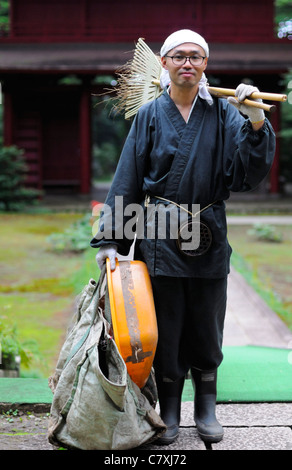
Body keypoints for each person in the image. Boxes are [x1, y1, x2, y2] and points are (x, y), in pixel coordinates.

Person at [91, 29, 275, 445]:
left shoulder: (227, 112)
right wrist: (111, 242)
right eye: (179, 56)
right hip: (159, 233)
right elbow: (129, 179)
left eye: (196, 56)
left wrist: (257, 118)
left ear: (205, 64)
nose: (187, 63)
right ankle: (169, 410)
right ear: (165, 63)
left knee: (207, 324)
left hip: (208, 230)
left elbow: (246, 176)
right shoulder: (150, 115)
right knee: (166, 324)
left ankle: (206, 407)